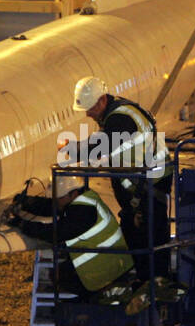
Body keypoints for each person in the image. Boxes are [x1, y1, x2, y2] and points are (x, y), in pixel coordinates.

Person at [71, 76, 171, 283]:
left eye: (90, 108)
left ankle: (153, 287)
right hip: (148, 187)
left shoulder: (120, 119)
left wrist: (72, 150)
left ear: (101, 101)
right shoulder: (120, 112)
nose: (88, 114)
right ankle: (151, 284)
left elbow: (100, 146)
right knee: (144, 241)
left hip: (147, 190)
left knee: (147, 243)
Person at [6, 176, 134, 300]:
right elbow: (51, 206)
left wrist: (22, 224)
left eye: (60, 197)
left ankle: (90, 298)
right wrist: (25, 202)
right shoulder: (83, 201)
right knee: (62, 271)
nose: (57, 201)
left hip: (107, 270)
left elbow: (55, 232)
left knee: (59, 276)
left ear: (74, 193)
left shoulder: (83, 213)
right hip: (113, 263)